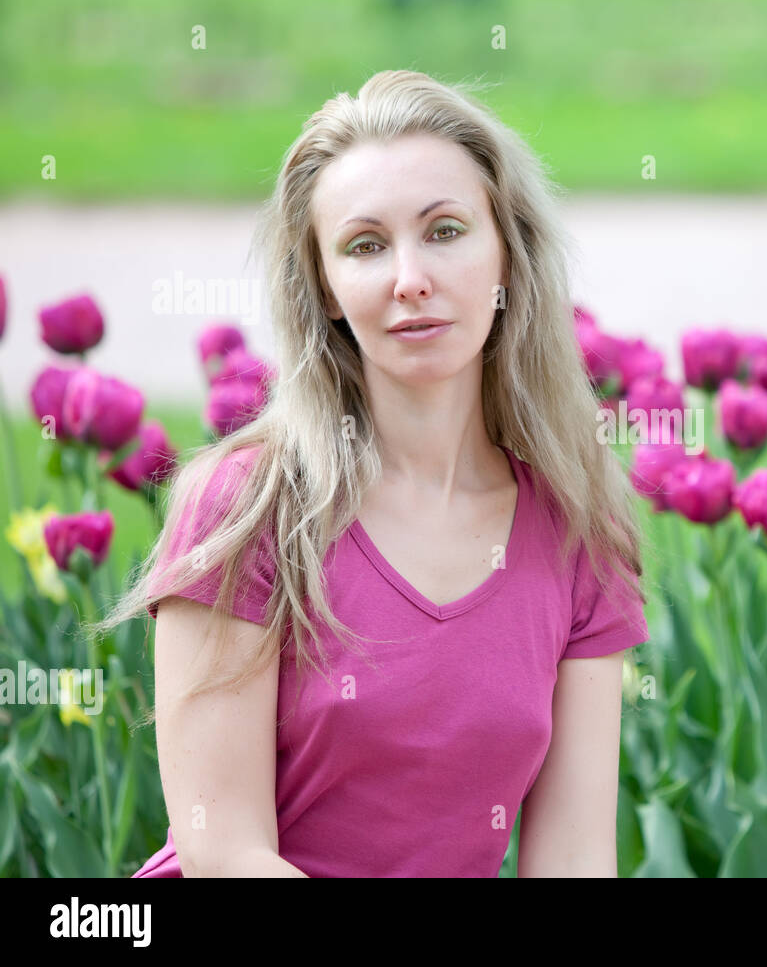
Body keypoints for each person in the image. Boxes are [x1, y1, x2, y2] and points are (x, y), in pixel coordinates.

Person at [94, 70, 652, 877]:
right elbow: (225, 851)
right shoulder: (247, 507)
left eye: (446, 230)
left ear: (507, 252)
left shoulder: (577, 528)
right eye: (365, 246)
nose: (409, 278)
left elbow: (574, 858)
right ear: (325, 286)